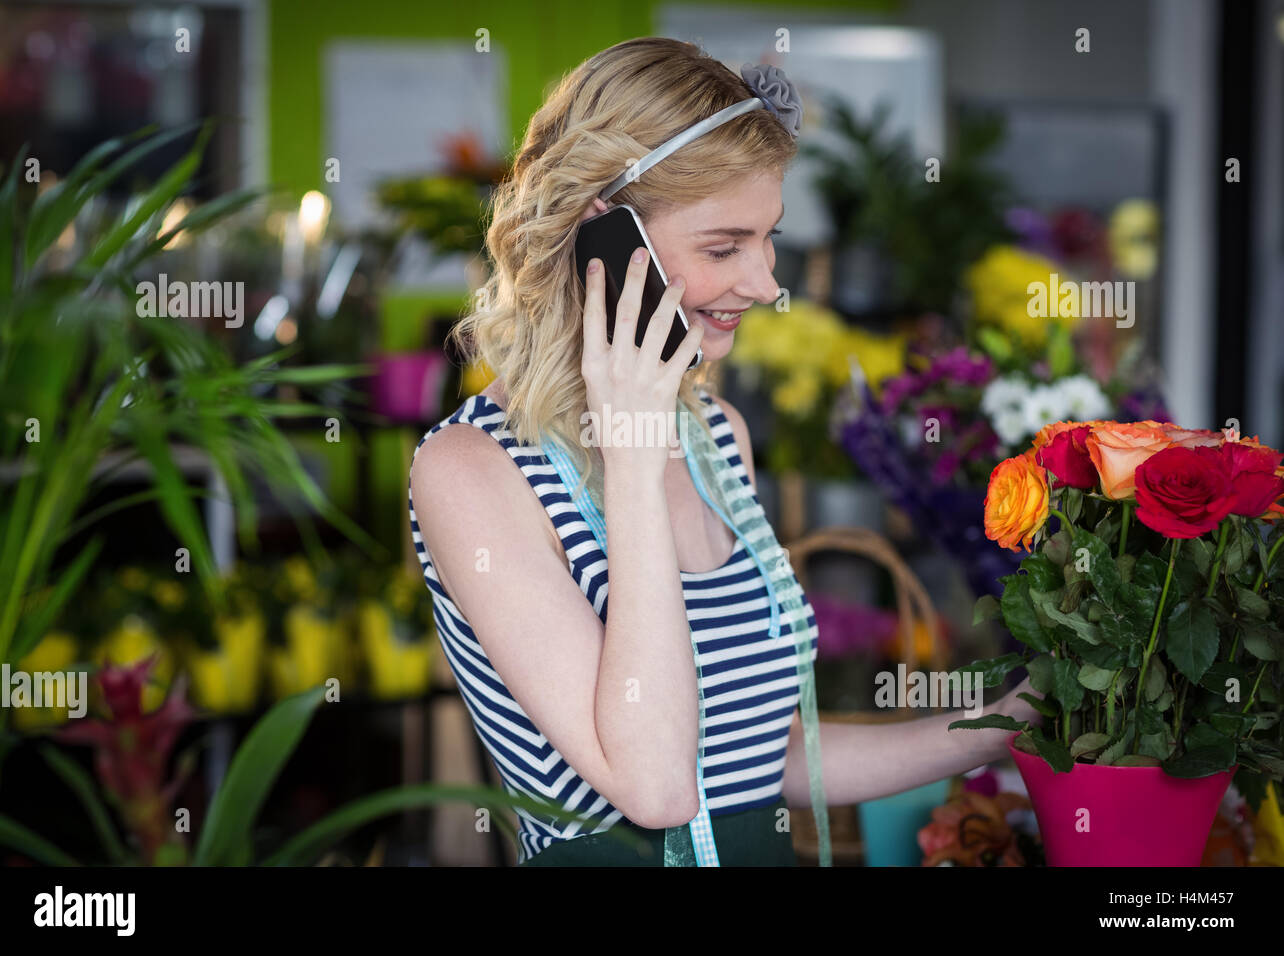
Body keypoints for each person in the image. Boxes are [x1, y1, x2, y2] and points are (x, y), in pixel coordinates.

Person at [408, 36, 1041, 866]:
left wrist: (1011, 723)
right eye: (723, 247)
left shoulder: (718, 441)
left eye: (768, 238)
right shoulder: (471, 471)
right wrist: (631, 452)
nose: (766, 283)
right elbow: (660, 787)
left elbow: (759, 762)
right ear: (605, 244)